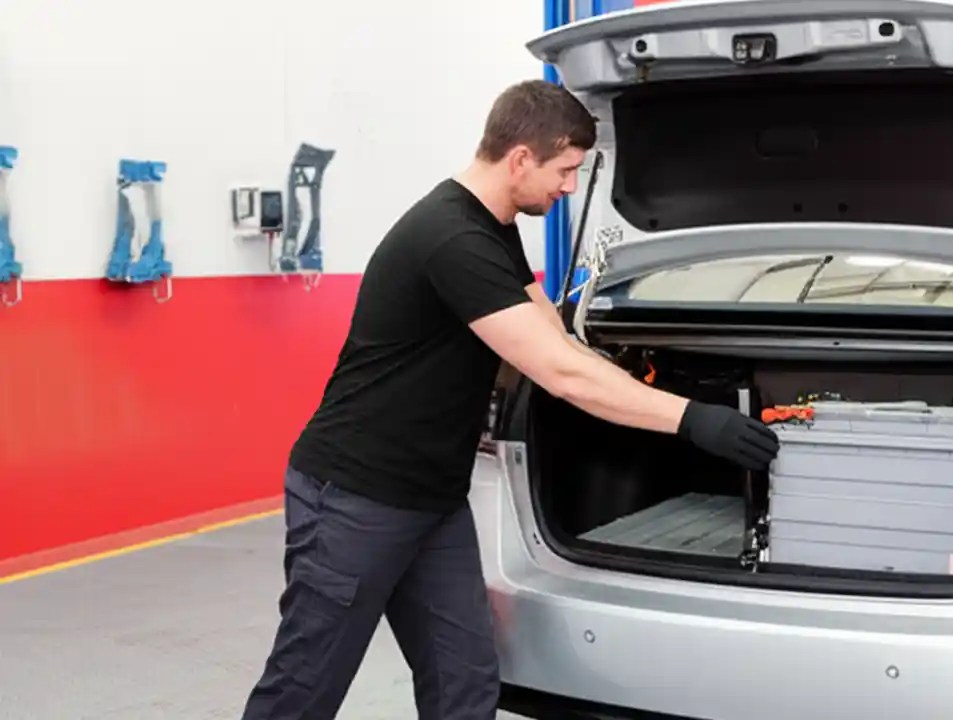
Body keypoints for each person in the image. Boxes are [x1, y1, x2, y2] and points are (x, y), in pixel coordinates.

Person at [239, 79, 780, 720]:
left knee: (464, 678)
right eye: (566, 170)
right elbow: (558, 372)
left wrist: (642, 381)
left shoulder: (491, 228)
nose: (569, 188)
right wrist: (693, 421)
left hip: (432, 500)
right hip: (356, 499)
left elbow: (549, 329)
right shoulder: (452, 238)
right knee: (304, 687)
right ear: (521, 158)